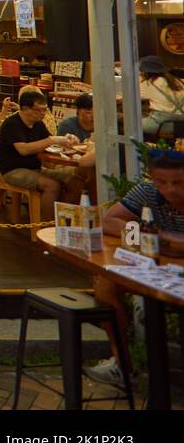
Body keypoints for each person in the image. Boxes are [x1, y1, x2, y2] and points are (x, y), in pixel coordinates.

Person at [88, 148, 184, 386]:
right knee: (105, 287)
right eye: (162, 182)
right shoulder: (148, 191)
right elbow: (110, 220)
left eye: (178, 182)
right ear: (153, 178)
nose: (170, 189)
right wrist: (149, 236)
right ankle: (123, 364)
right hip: (162, 266)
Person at [0, 87, 77, 222]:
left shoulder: (38, 124)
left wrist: (67, 140)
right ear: (25, 108)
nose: (42, 114)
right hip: (12, 170)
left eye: (44, 110)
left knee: (73, 178)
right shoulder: (11, 124)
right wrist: (52, 140)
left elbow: (50, 143)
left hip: (35, 168)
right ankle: (47, 224)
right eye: (38, 110)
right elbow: (24, 150)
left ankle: (66, 220)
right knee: (52, 185)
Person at [140, 56, 184, 137]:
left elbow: (132, 97)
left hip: (162, 125)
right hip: (181, 123)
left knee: (131, 124)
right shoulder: (178, 81)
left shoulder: (148, 84)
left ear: (146, 72)